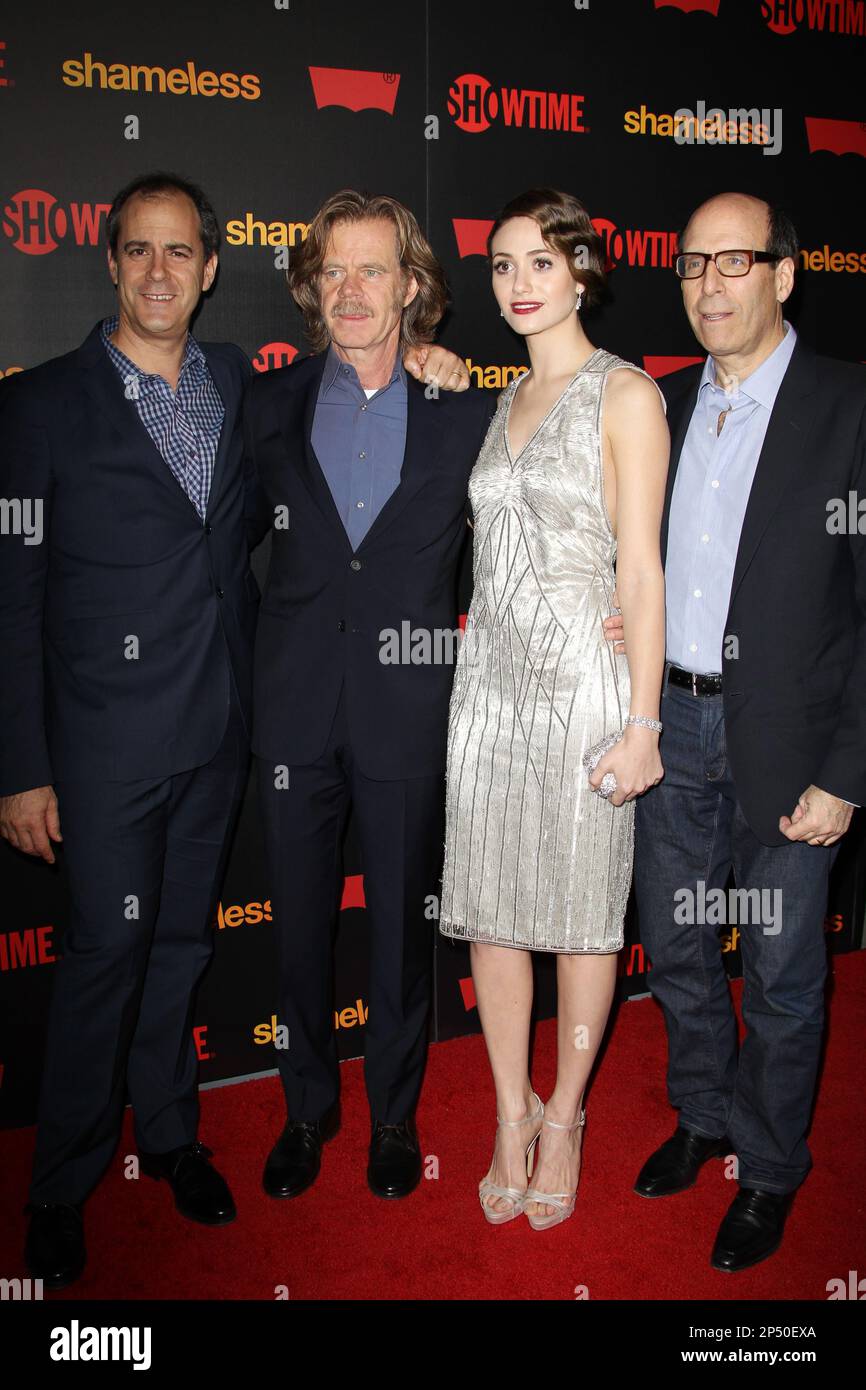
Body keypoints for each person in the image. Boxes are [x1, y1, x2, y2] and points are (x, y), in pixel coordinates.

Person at [0, 172, 466, 1289]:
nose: (160, 272)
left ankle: (191, 1139)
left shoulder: (250, 388)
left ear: (211, 270)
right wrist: (21, 766)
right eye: (138, 251)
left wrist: (436, 364)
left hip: (236, 730)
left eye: (181, 253)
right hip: (127, 741)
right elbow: (12, 595)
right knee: (115, 951)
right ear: (111, 262)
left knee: (191, 947)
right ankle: (73, 1180)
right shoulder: (64, 405)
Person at [605, 192, 866, 1271]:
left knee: (781, 974)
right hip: (666, 722)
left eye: (733, 262)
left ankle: (765, 1170)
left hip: (789, 748)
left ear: (784, 273)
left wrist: (847, 770)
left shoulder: (847, 406)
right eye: (690, 266)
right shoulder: (656, 404)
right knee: (671, 945)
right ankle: (702, 1112)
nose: (708, 285)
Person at [243, 189, 493, 1202]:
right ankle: (307, 1107)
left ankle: (393, 1113)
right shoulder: (268, 404)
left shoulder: (463, 412)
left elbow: (521, 556)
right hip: (292, 709)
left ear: (410, 288)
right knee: (298, 924)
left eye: (372, 270)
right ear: (311, 287)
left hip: (406, 715)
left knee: (399, 927)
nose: (350, 290)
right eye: (332, 271)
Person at [438, 188, 669, 1229]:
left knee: (580, 922)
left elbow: (642, 569)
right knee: (488, 911)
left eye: (539, 261)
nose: (518, 283)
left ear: (582, 271)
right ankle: (506, 1110)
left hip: (586, 686)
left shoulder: (626, 396)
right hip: (488, 690)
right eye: (500, 265)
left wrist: (643, 721)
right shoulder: (496, 404)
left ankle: (565, 1116)